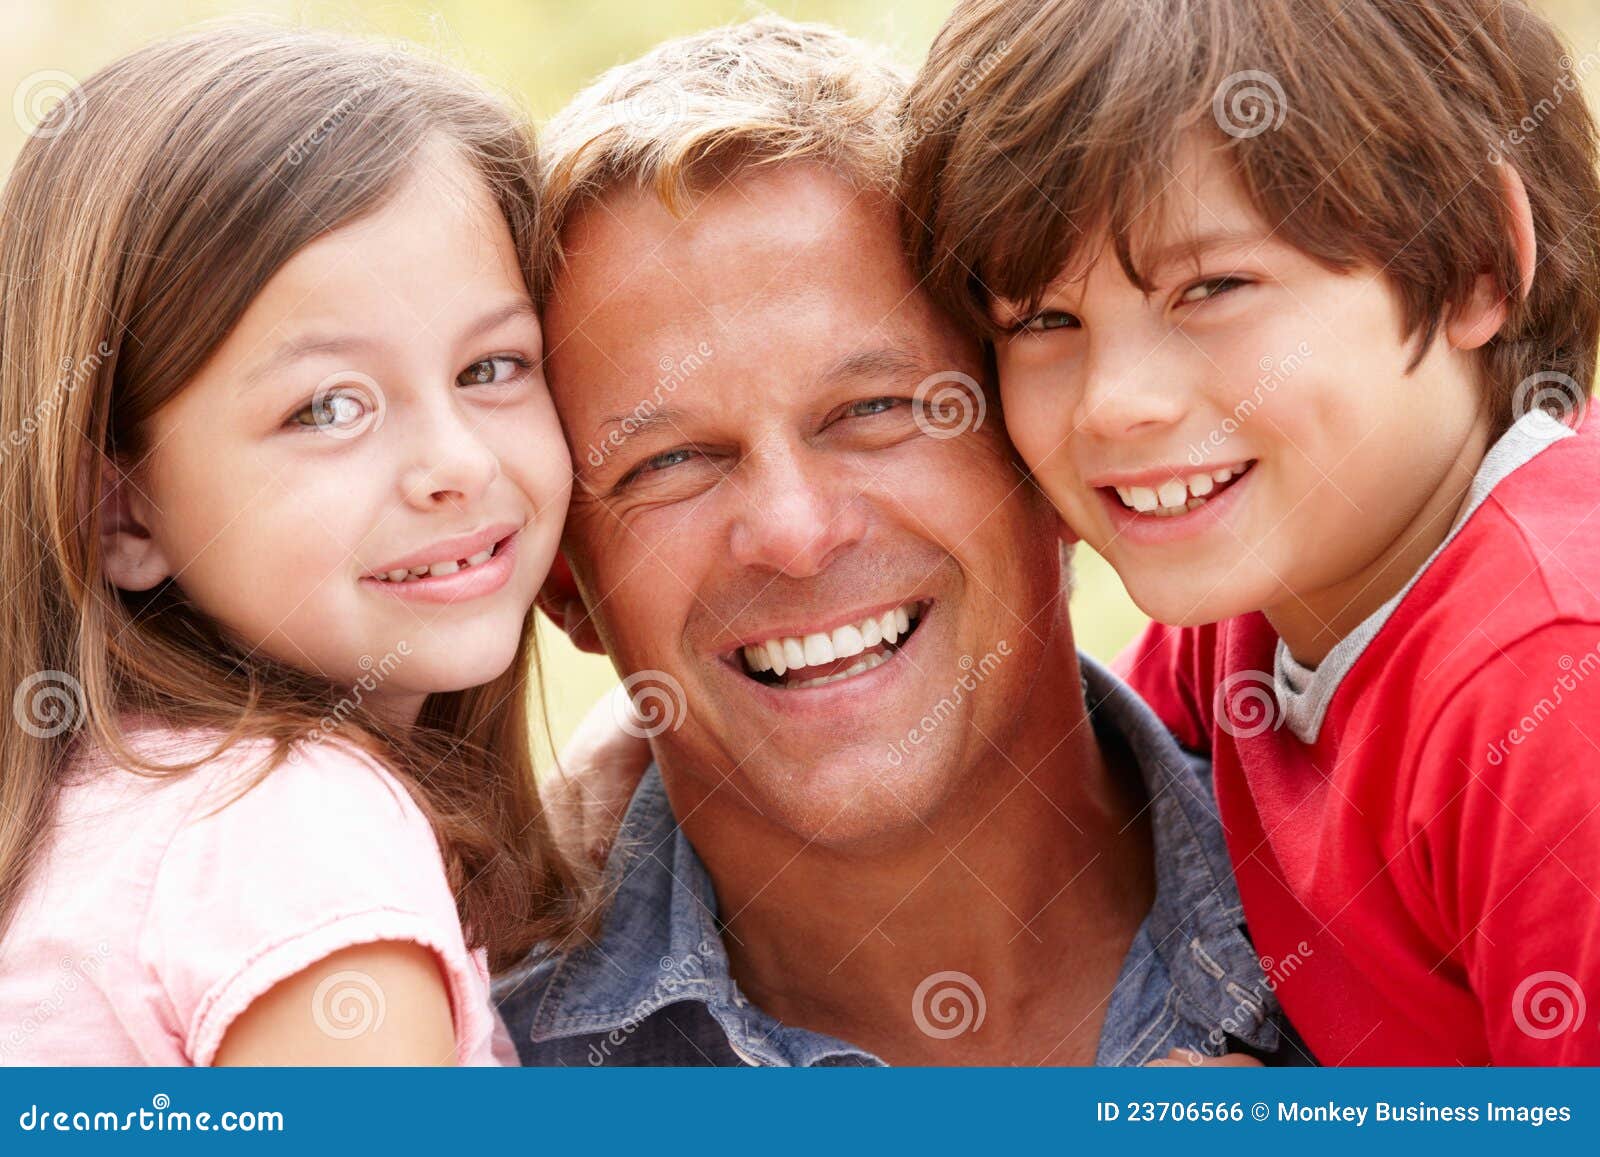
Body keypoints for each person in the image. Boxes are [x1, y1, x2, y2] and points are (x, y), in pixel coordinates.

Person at [495, 17, 1297, 1067]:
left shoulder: (1425, 895)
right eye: (669, 461)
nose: (794, 533)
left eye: (876, 409)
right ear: (563, 579)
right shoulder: (451, 1063)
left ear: (1049, 446)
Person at [900, 0, 1600, 1063]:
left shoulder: (1553, 683)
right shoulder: (1257, 600)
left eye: (1213, 288)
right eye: (1043, 320)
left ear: (1478, 261)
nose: (1112, 404)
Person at [0, 25, 592, 1065]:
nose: (455, 462)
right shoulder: (299, 838)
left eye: (491, 367)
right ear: (121, 512)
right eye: (327, 407)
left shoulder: (109, 805)